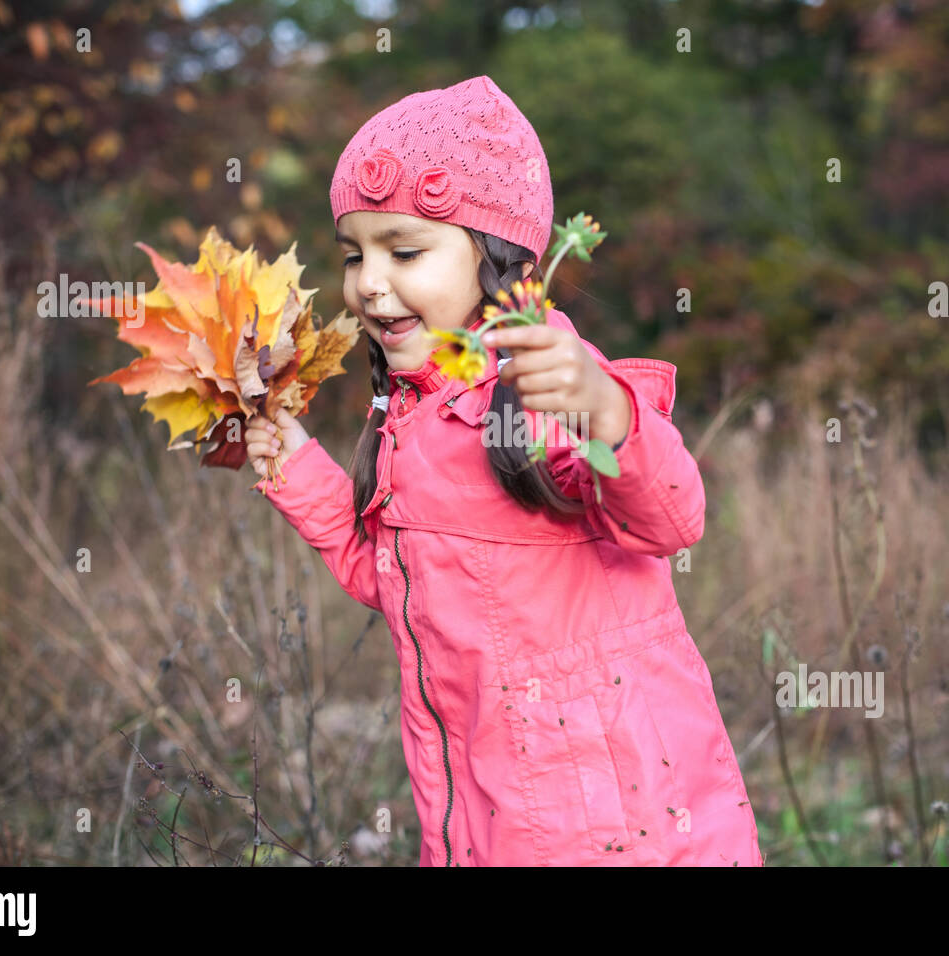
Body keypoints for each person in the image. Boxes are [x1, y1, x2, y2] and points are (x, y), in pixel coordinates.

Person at [245, 75, 763, 866]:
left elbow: (671, 519)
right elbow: (390, 575)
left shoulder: (545, 386)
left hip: (614, 823)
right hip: (473, 813)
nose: (370, 282)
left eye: (406, 250)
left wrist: (608, 412)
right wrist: (290, 460)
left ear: (500, 260)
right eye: (354, 255)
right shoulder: (409, 414)